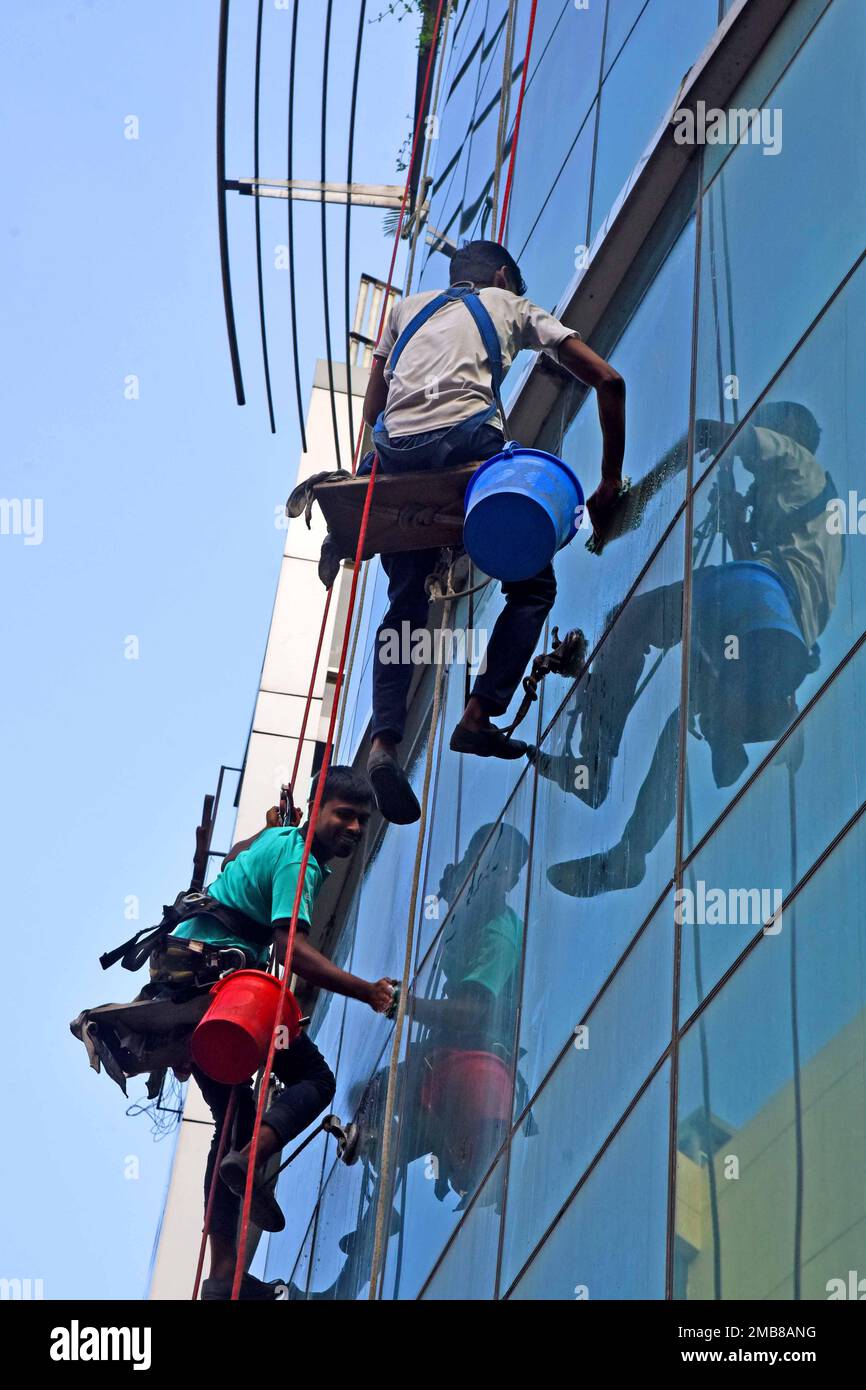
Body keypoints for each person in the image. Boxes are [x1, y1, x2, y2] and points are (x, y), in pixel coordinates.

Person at [323, 239, 626, 826]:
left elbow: (373, 410)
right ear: (502, 276)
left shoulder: (404, 310)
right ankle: (479, 715)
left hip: (395, 461)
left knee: (405, 604)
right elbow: (608, 382)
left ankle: (385, 745)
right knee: (532, 587)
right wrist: (609, 482)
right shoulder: (511, 306)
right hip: (469, 445)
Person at [541, 400, 843, 896]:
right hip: (774, 653)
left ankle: (595, 767)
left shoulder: (795, 461)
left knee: (633, 620)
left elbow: (707, 431)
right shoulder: (808, 517)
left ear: (785, 434)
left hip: (758, 601)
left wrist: (630, 509)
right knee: (679, 726)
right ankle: (632, 853)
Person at [177, 765, 397, 1300]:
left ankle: (224, 1276)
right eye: (344, 815)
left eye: (362, 821)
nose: (354, 829)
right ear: (318, 809)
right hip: (216, 991)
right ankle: (250, 1162)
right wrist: (366, 990)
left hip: (190, 987)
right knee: (317, 1080)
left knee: (234, 1123)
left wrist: (274, 826)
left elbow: (233, 859)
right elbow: (288, 949)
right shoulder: (301, 861)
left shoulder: (280, 836)